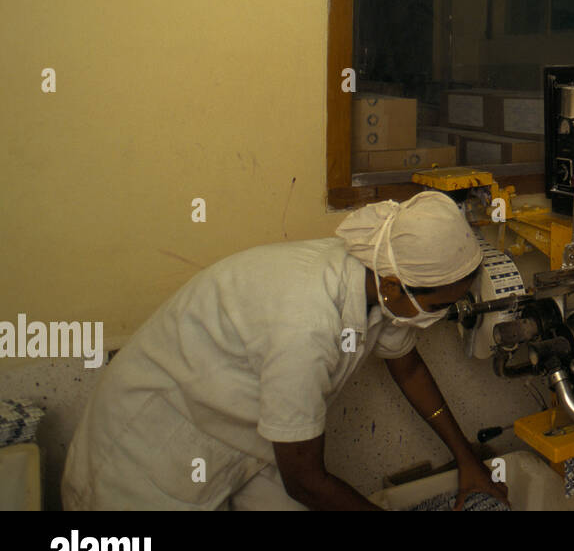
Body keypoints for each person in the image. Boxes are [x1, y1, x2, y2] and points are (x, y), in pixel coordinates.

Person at [62, 191, 509, 510]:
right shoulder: (307, 324)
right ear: (394, 284)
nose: (443, 316)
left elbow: (408, 369)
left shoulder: (379, 289)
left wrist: (466, 461)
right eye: (439, 305)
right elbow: (305, 482)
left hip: (251, 443)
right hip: (150, 452)